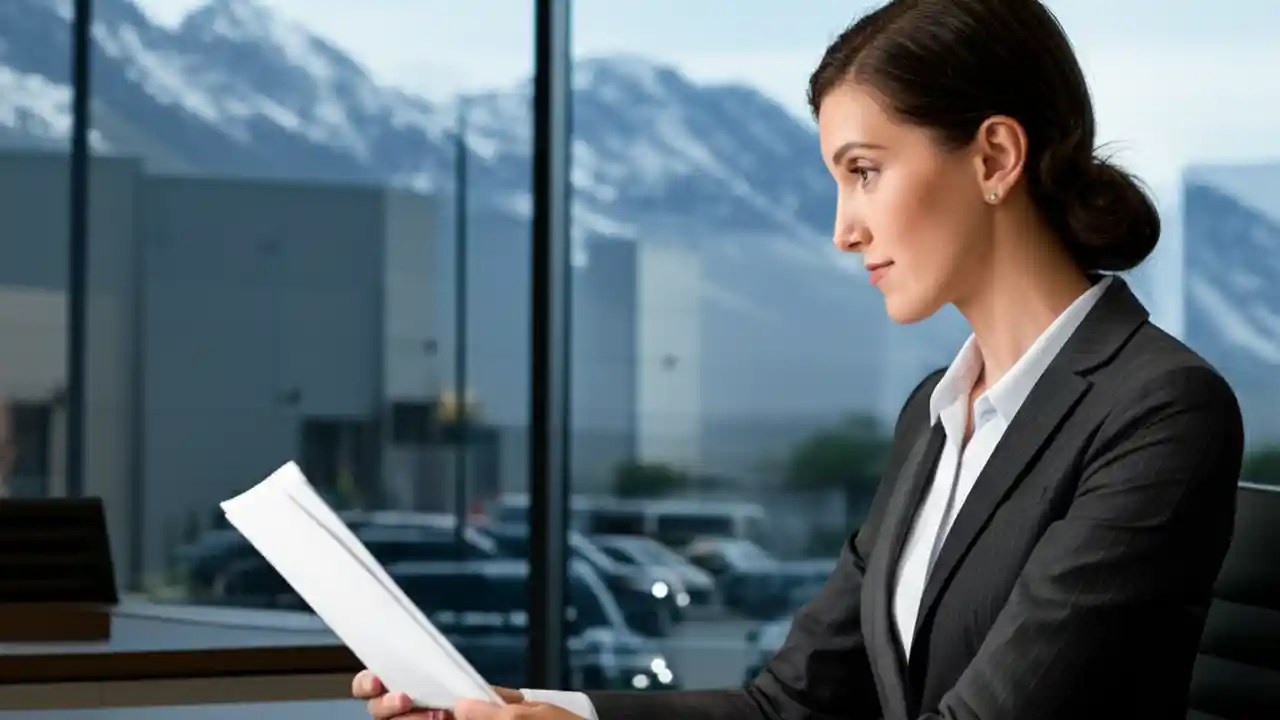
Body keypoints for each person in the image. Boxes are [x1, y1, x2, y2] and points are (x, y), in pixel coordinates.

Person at [355, 0, 1244, 717]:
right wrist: (529, 711)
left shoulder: (1158, 409)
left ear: (995, 157)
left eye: (864, 171)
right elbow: (790, 701)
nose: (843, 229)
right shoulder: (939, 412)